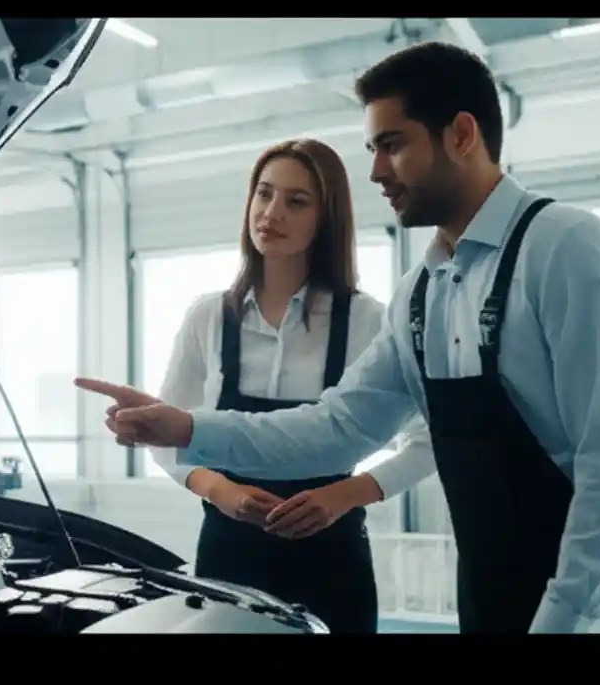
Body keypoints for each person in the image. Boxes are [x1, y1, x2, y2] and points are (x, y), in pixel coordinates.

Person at [77, 41, 600, 635]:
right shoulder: (423, 291)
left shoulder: (568, 249)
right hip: (491, 598)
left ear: (461, 134)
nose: (373, 171)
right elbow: (336, 428)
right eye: (372, 148)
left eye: (391, 146)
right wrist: (184, 428)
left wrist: (566, 623)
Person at [149, 138, 435, 634]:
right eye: (264, 194)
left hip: (332, 562)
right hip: (228, 556)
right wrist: (218, 488)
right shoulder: (209, 316)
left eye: (296, 201)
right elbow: (167, 440)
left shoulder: (367, 321)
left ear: (327, 218)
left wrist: (346, 494)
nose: (271, 213)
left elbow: (430, 438)